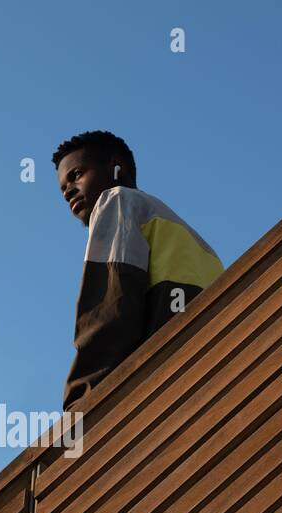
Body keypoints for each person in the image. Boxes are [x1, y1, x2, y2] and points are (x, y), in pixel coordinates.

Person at [54, 130, 225, 411]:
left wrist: (81, 400)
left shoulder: (118, 202)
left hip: (162, 380)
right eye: (63, 189)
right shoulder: (190, 236)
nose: (69, 191)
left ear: (116, 166)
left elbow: (111, 307)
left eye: (76, 175)